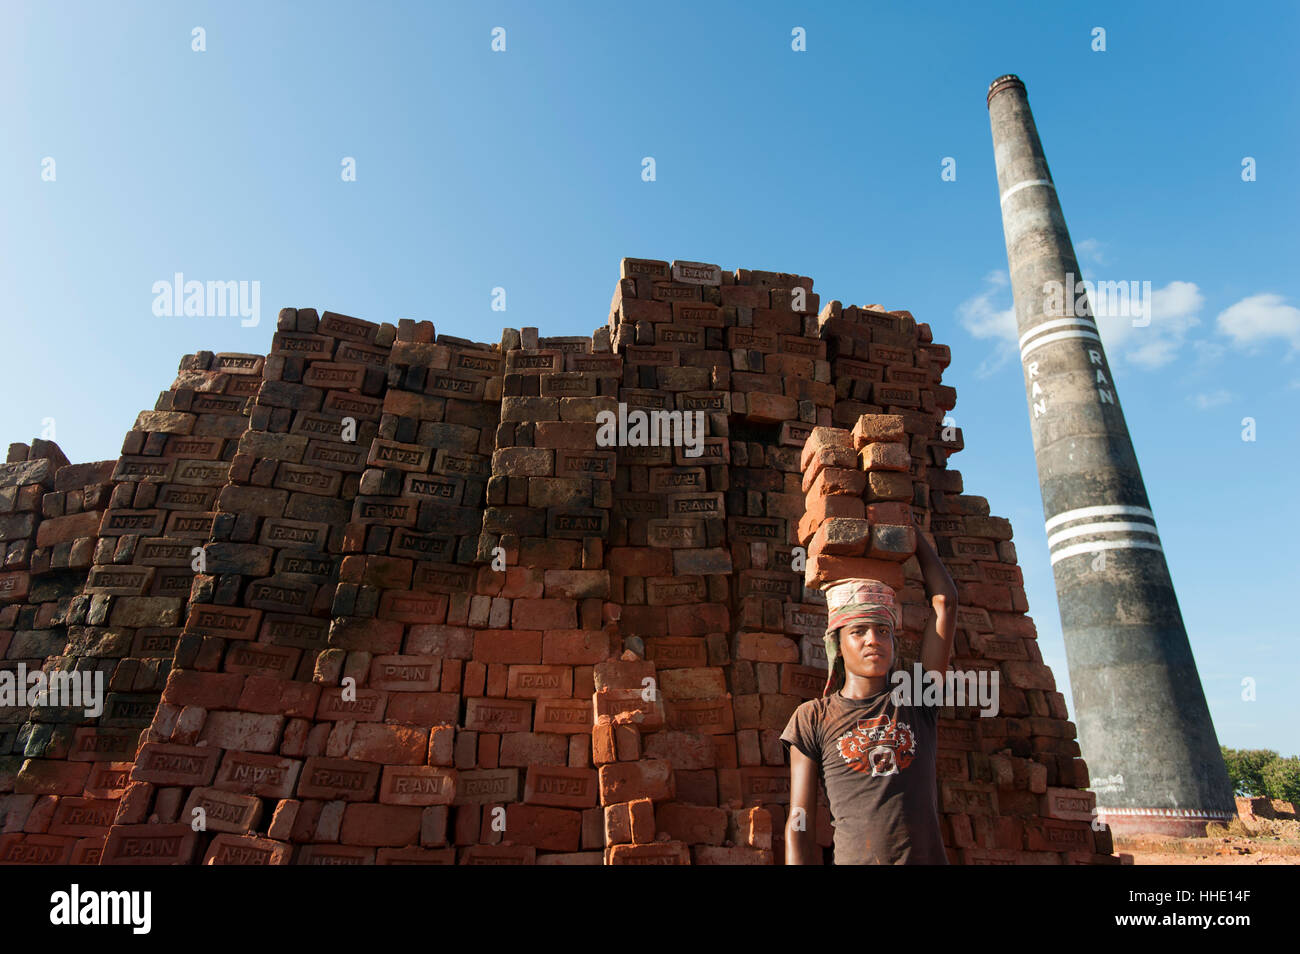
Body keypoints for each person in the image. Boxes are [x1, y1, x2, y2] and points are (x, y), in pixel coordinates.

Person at [781, 518, 958, 864]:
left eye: (882, 630)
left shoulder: (916, 699)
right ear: (837, 644)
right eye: (859, 631)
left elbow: (946, 602)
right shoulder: (813, 718)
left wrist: (911, 532)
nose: (873, 640)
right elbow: (799, 822)